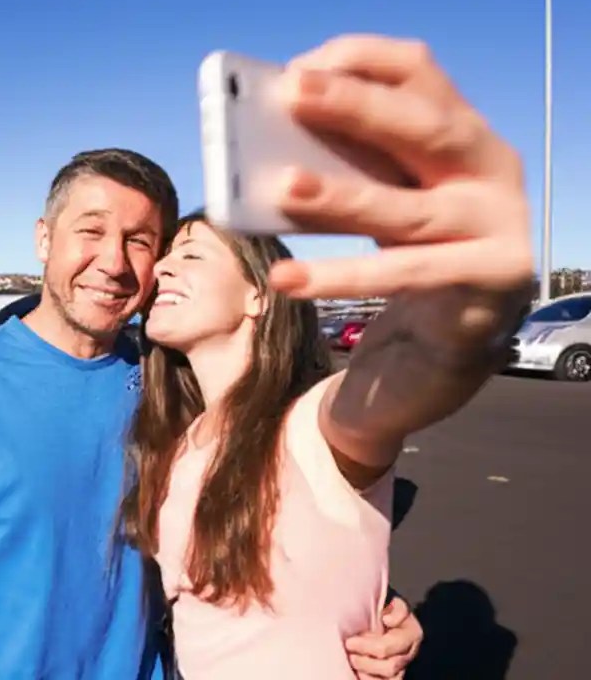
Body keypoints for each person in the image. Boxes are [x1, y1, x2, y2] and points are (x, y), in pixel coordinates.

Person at [0, 150, 422, 675]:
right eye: (91, 230)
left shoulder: (173, 384)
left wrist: (374, 606)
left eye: (139, 241)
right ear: (43, 238)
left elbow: (285, 518)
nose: (112, 261)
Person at [121, 34, 532, 679]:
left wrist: (468, 290)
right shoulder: (179, 438)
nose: (162, 270)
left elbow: (410, 367)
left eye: (191, 254)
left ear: (259, 295)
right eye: (167, 255)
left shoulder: (311, 427)